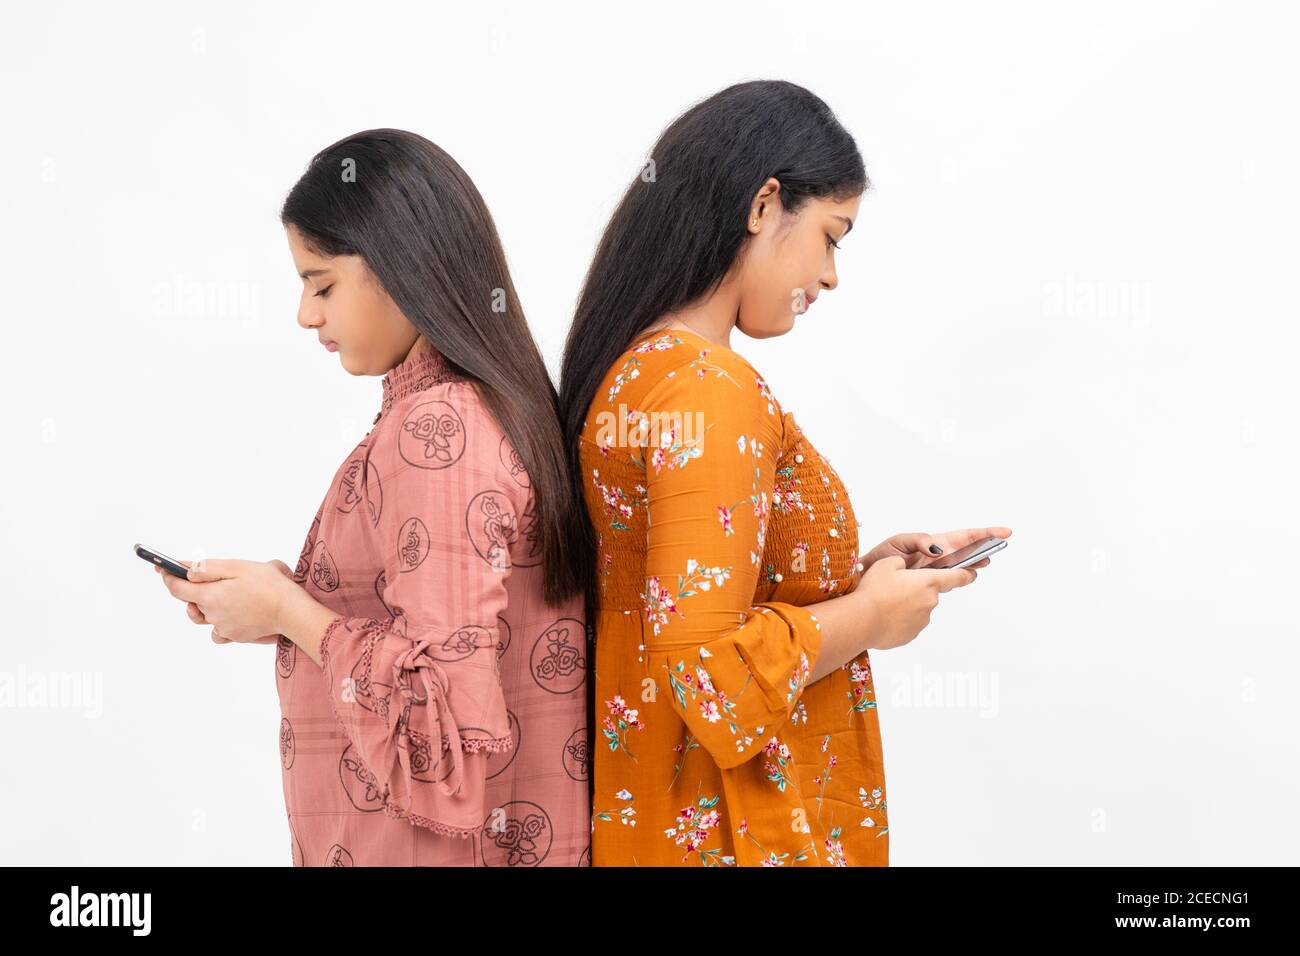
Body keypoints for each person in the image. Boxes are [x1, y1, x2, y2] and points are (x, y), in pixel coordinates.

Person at [558, 81, 1012, 866]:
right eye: (833, 236)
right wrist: (873, 618)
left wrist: (866, 575)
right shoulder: (705, 386)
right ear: (764, 204)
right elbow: (711, 678)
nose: (831, 275)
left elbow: (687, 605)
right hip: (730, 829)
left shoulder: (644, 374)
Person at [156, 129, 591, 866]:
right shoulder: (460, 412)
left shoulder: (440, 430)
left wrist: (292, 612)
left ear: (402, 268)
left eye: (321, 284)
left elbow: (439, 718)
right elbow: (435, 636)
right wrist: (282, 610)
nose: (306, 315)